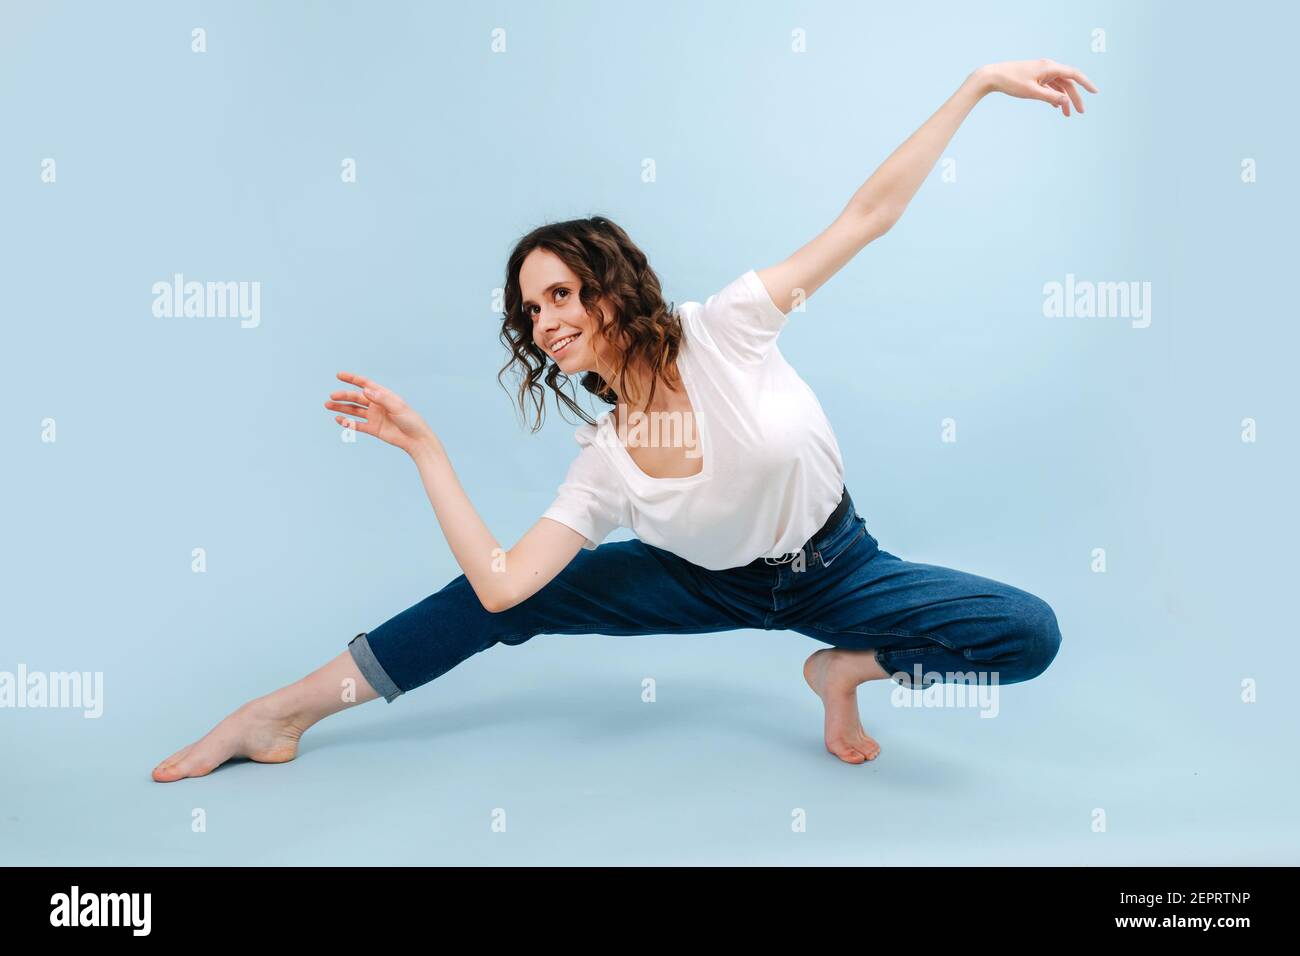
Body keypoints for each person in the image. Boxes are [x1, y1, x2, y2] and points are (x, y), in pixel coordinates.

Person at [152, 58, 1096, 781]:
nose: (546, 320)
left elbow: (867, 215)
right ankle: (277, 716)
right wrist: (427, 452)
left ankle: (844, 673)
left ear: (608, 286)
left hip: (832, 568)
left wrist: (974, 86)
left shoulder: (727, 328)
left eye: (561, 292)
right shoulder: (604, 462)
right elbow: (500, 585)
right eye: (529, 309)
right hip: (696, 583)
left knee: (1028, 636)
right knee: (505, 607)